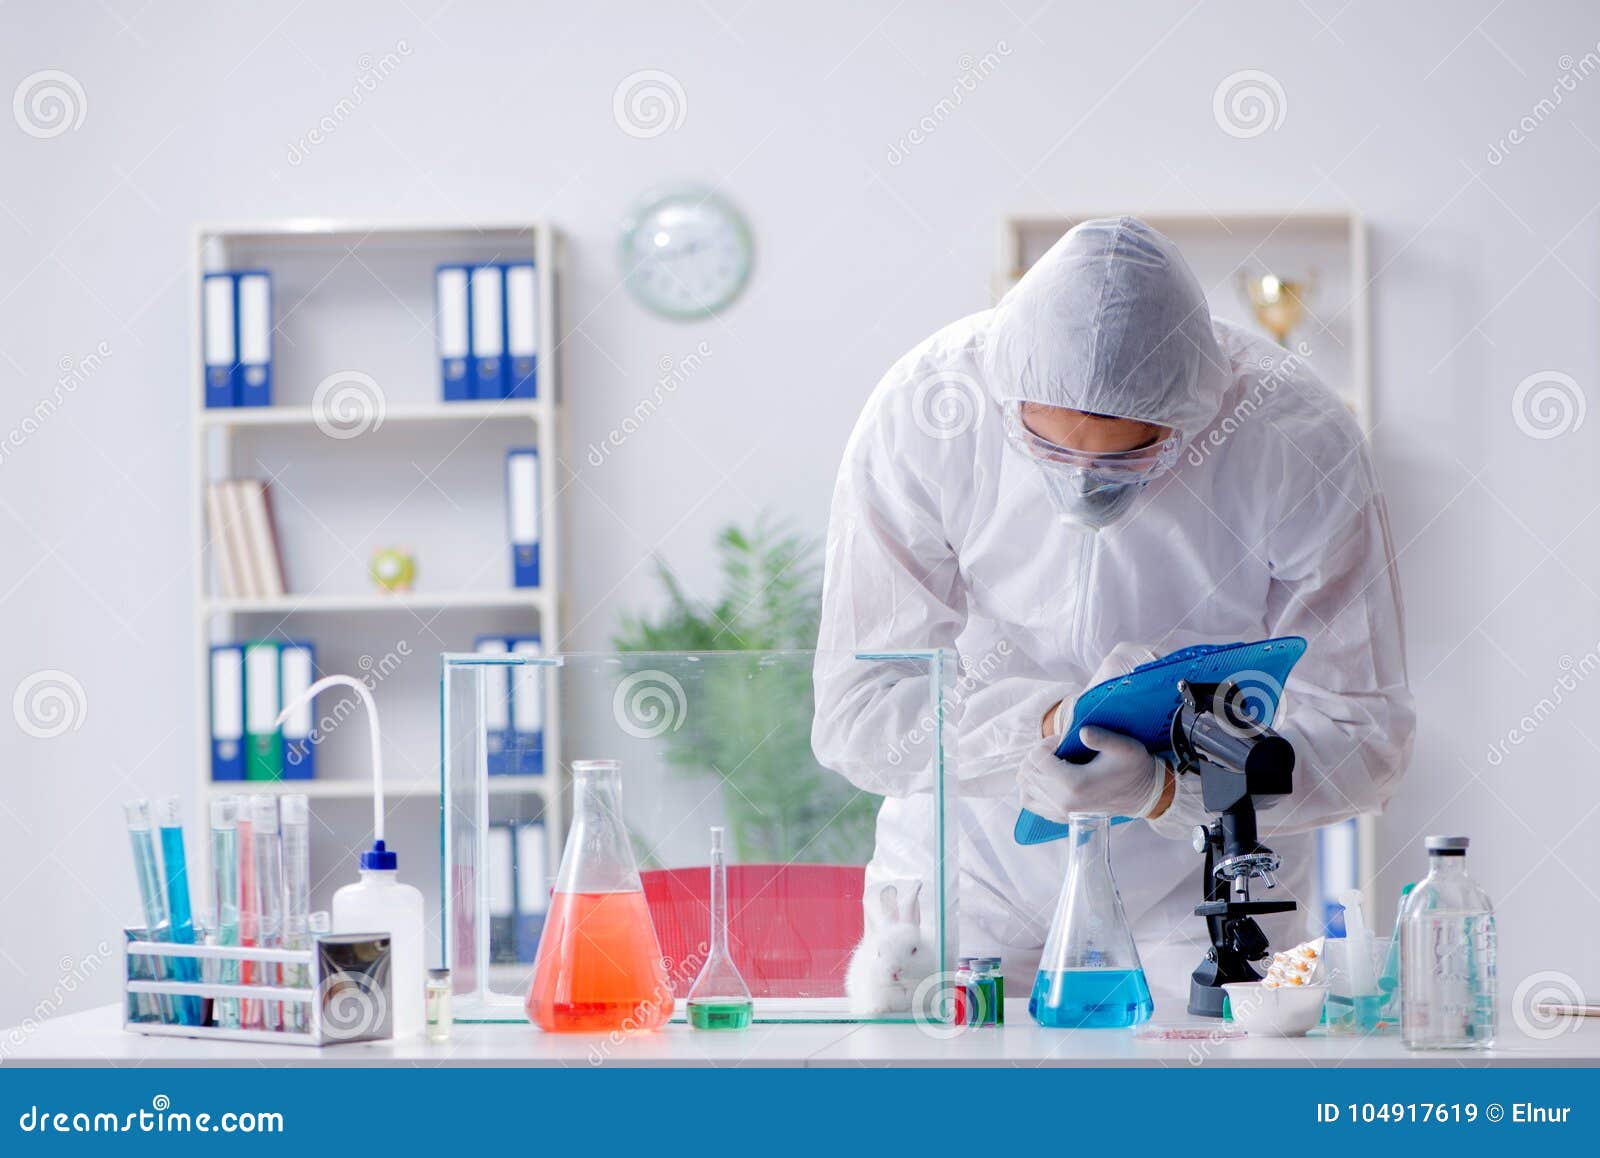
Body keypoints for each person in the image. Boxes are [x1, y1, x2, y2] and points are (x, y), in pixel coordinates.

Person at [811, 216, 1414, 1006]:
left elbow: (1366, 735)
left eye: (1131, 455)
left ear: (1197, 414)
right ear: (1006, 399)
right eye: (1051, 449)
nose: (1088, 485)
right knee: (949, 1125)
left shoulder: (1292, 436)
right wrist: (1040, 724)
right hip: (969, 872)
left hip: (1198, 894)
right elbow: (860, 710)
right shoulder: (926, 413)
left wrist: (1171, 789)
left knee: (1192, 1123)